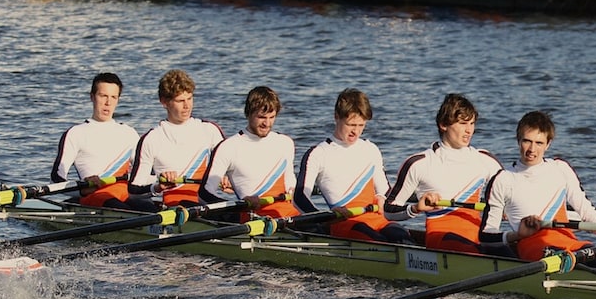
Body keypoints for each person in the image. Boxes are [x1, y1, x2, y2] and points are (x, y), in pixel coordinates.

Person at [479, 110, 596, 264]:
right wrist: (518, 235)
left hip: (569, 242)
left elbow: (586, 211)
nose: (532, 149)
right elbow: (486, 236)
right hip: (533, 247)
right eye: (527, 141)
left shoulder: (560, 169)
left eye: (539, 143)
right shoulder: (503, 179)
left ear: (548, 144)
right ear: (518, 140)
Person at [383, 93, 503, 252]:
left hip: (477, 237)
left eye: (472, 123)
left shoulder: (486, 160)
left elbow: (513, 197)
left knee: (507, 251)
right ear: (443, 124)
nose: (469, 130)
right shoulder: (419, 163)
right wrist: (416, 208)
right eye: (462, 123)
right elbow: (388, 210)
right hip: (441, 238)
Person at [295, 88, 411, 243]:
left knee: (402, 236)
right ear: (336, 117)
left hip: (376, 219)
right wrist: (325, 218)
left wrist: (383, 198)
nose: (356, 132)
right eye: (351, 125)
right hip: (344, 223)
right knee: (378, 241)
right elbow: (299, 198)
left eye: (361, 125)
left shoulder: (370, 149)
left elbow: (385, 191)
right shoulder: (318, 154)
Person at [199, 86, 301, 219]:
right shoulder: (228, 148)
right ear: (248, 113)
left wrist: (294, 191)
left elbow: (290, 182)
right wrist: (241, 206)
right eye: (261, 117)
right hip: (257, 219)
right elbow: (204, 194)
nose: (267, 123)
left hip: (290, 216)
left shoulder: (285, 143)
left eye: (272, 117)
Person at [128, 69, 225, 209]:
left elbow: (234, 169)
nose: (187, 106)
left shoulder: (210, 130)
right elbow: (133, 191)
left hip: (205, 202)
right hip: (174, 206)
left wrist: (228, 178)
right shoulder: (152, 139)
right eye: (180, 101)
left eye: (190, 98)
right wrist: (158, 187)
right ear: (164, 102)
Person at [50, 72, 141, 209]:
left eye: (113, 97)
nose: (108, 103)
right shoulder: (76, 134)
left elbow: (143, 175)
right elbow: (57, 177)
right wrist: (82, 190)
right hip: (94, 197)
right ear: (92, 97)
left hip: (123, 195)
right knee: (121, 208)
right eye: (103, 96)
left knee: (151, 208)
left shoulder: (129, 133)